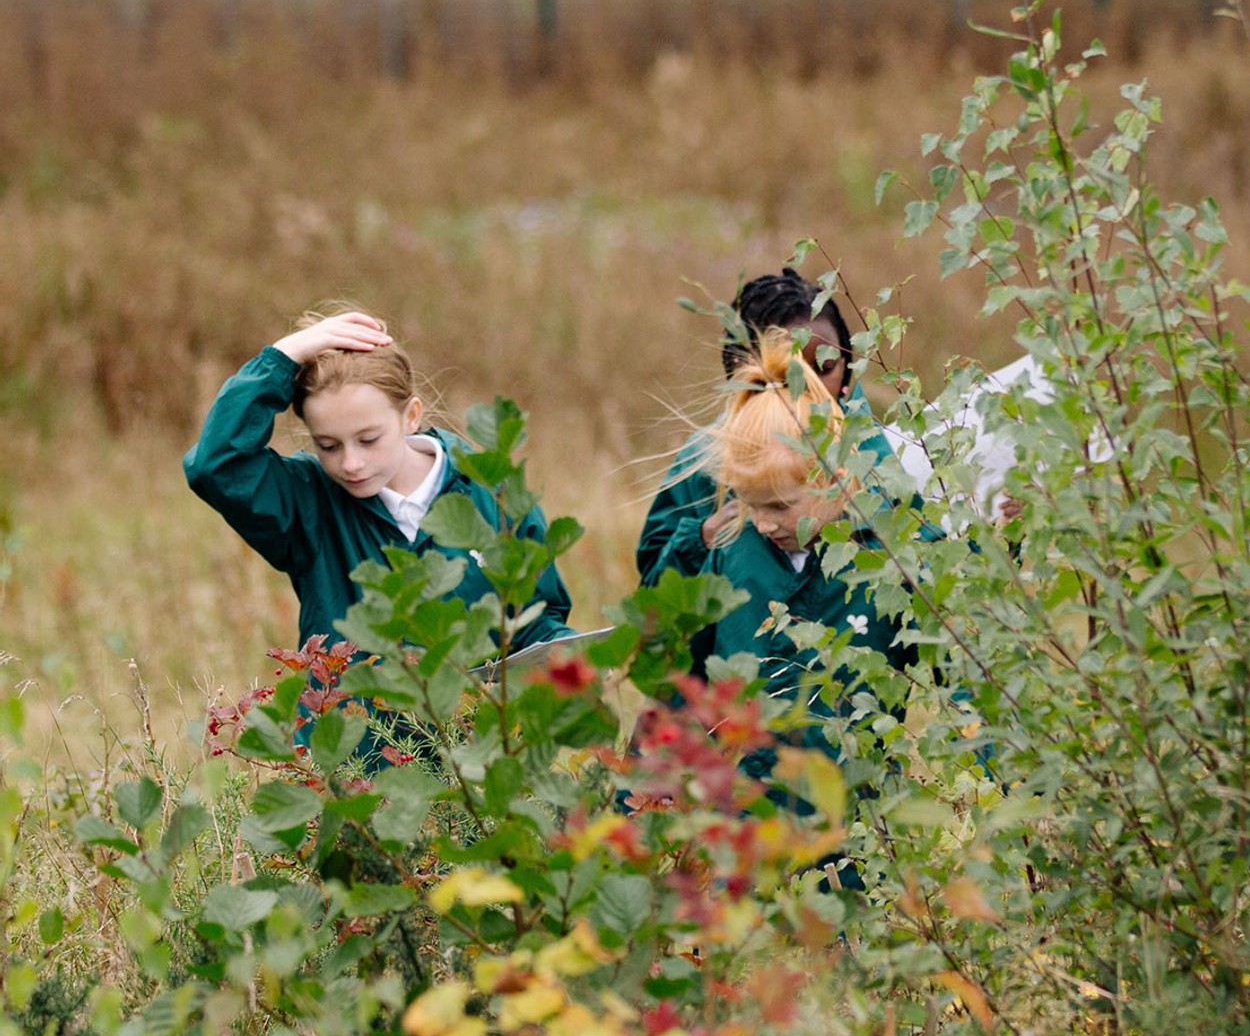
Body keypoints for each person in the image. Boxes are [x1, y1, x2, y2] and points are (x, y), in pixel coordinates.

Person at [184, 308, 573, 654]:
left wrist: (573, 657)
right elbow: (216, 466)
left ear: (411, 416)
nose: (351, 464)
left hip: (473, 715)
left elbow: (535, 622)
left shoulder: (495, 496)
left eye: (369, 440)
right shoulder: (308, 504)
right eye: (328, 445)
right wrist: (283, 357)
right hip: (350, 717)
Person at [654, 331, 909, 723]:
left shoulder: (885, 564)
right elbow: (679, 674)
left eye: (778, 505)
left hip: (848, 764)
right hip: (739, 763)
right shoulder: (733, 555)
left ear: (833, 479)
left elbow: (960, 665)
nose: (763, 523)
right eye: (750, 504)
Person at [635, 269, 884, 588]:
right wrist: (702, 539)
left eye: (825, 368)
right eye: (787, 373)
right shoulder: (708, 456)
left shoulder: (882, 451)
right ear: (742, 370)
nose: (808, 387)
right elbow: (654, 589)